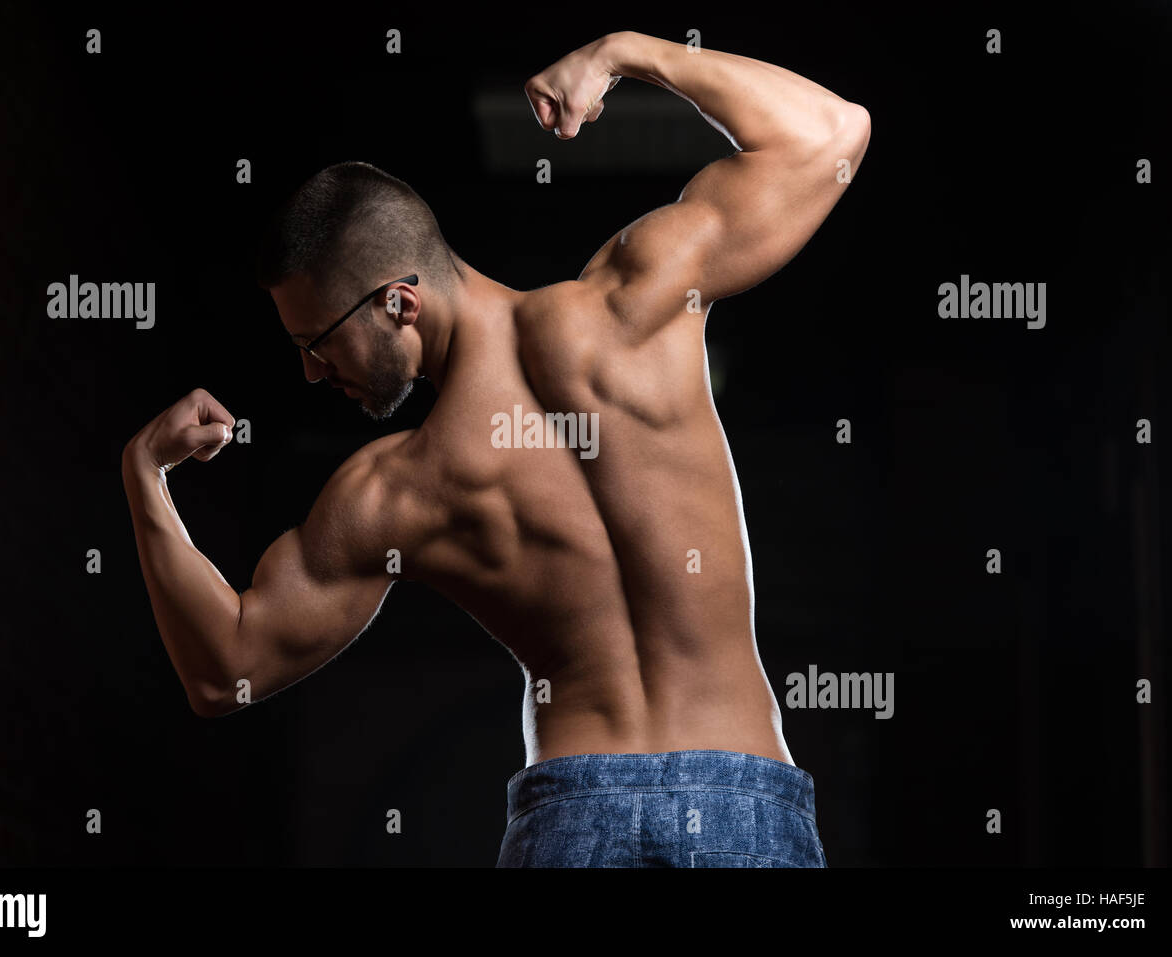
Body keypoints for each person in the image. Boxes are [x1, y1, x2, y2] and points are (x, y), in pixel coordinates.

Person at [121, 30, 869, 867]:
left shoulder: (397, 492)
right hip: (744, 800)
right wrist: (628, 55)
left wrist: (145, 475)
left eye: (319, 342)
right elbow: (830, 134)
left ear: (399, 302)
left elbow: (225, 667)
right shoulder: (641, 299)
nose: (308, 372)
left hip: (576, 818)